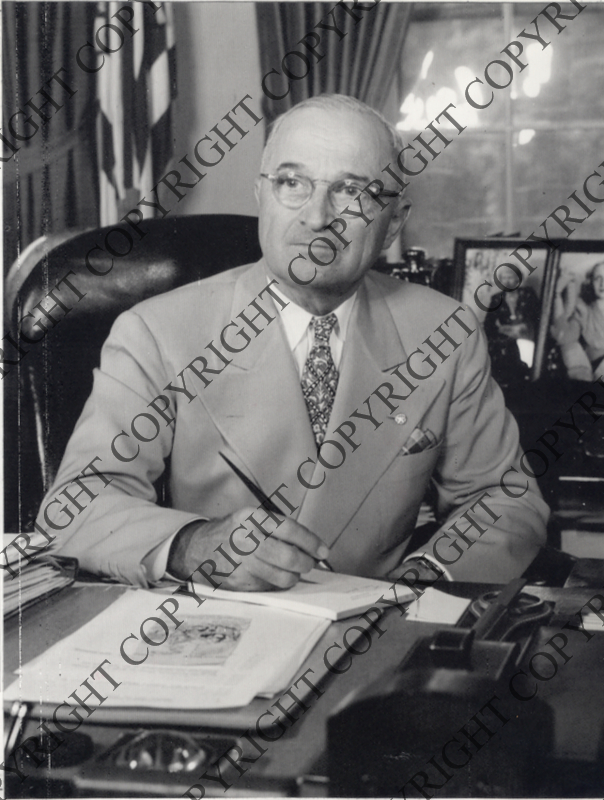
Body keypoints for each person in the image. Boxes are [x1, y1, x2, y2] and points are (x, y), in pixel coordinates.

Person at [38, 94, 548, 589]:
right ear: (262, 198)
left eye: (353, 191)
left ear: (394, 222)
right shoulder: (156, 331)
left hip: (375, 639)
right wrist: (193, 545)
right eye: (292, 183)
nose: (317, 216)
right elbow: (75, 507)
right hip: (214, 629)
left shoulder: (445, 334)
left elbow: (504, 500)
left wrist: (422, 584)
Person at [483, 265, 540, 386]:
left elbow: (538, 317)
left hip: (528, 336)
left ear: (518, 279)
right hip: (507, 340)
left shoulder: (528, 294)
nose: (507, 281)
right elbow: (489, 324)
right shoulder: (496, 298)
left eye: (510, 277)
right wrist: (500, 330)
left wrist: (524, 327)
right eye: (503, 278)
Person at [551, 261, 604, 382]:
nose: (602, 284)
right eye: (598, 278)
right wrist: (558, 294)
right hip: (590, 373)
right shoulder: (583, 309)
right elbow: (565, 337)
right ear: (591, 282)